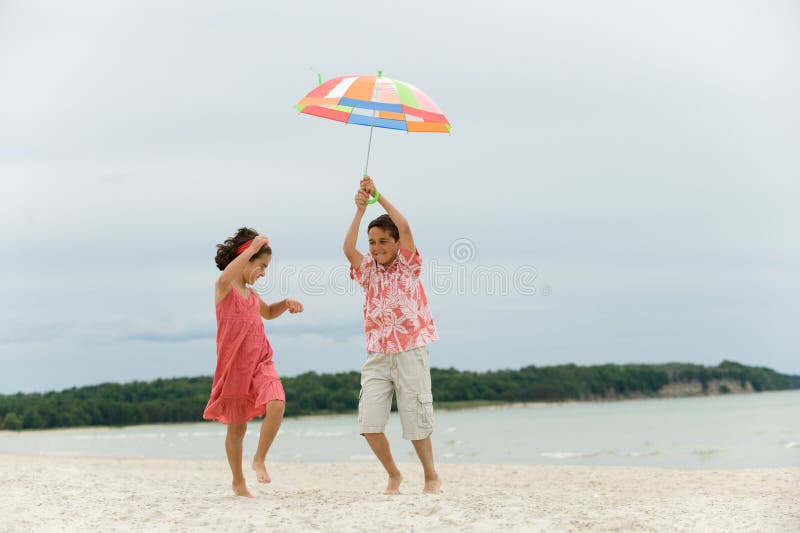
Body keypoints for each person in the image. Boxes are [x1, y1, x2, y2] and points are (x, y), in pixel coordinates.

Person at [343, 176, 442, 495]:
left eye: (383, 241)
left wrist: (378, 195)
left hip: (410, 350)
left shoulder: (408, 265)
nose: (376, 248)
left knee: (415, 421)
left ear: (397, 243)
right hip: (377, 355)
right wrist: (359, 210)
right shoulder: (368, 271)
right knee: (369, 424)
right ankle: (394, 475)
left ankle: (430, 476)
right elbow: (348, 249)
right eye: (372, 242)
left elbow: (405, 225)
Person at [203, 227, 304, 498]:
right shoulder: (224, 289)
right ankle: (238, 481)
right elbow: (226, 277)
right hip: (235, 368)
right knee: (237, 428)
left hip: (260, 361)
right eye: (260, 266)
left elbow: (269, 313)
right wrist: (251, 247)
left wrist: (287, 302)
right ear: (244, 259)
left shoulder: (252, 295)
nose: (263, 272)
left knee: (277, 402)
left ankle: (259, 458)